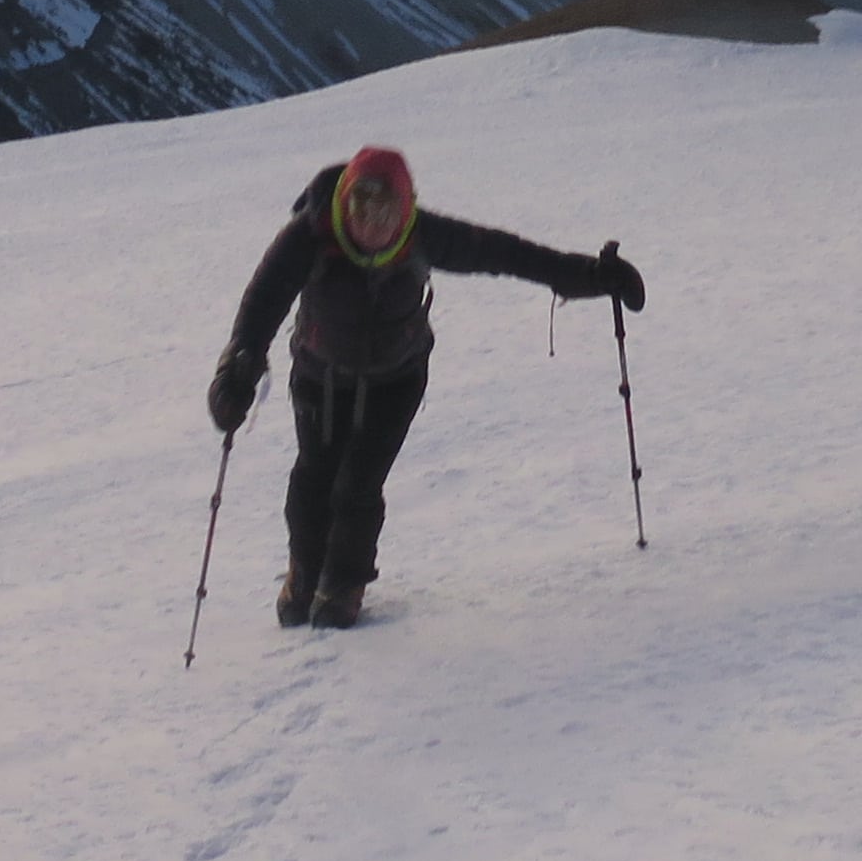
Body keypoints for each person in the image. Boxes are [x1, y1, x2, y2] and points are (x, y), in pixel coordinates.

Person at [207, 146, 644, 628]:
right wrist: (237, 370)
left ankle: (343, 586)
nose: (372, 229)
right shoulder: (309, 235)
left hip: (395, 381)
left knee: (358, 485)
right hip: (320, 380)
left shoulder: (420, 235)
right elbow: (262, 304)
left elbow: (505, 254)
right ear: (345, 203)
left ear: (405, 210)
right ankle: (305, 575)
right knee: (313, 478)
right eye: (361, 213)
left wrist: (590, 276)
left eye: (385, 216)